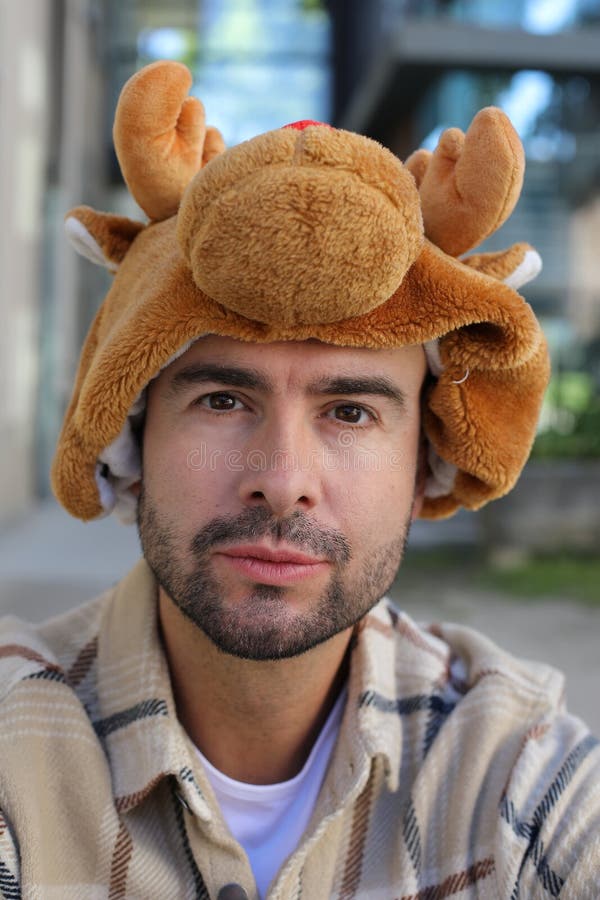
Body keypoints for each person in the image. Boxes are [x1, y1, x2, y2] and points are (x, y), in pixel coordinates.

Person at [0, 61, 598, 900]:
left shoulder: (523, 774)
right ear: (131, 441)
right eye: (221, 400)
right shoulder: (14, 746)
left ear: (423, 463)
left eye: (350, 412)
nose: (282, 482)